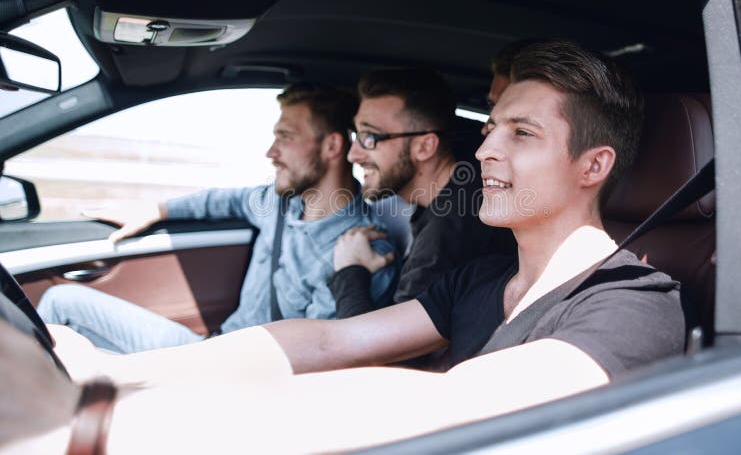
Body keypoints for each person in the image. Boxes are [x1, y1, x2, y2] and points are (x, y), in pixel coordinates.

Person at [35, 40, 685, 453]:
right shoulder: (479, 279)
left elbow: (455, 406)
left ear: (592, 166)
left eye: (521, 133)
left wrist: (121, 419)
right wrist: (115, 375)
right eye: (489, 129)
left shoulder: (633, 304)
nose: (485, 149)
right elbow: (327, 343)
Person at [36, 83, 399, 354]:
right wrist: (156, 211)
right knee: (60, 302)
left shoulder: (358, 250)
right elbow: (219, 201)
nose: (270, 152)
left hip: (240, 374)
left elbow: (319, 356)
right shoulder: (277, 202)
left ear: (332, 146)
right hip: (212, 346)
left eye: (285, 138)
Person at [328, 67, 513, 320]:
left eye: (370, 137)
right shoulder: (466, 169)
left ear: (425, 147)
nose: (353, 155)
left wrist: (350, 270)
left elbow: (382, 351)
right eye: (357, 136)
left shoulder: (443, 243)